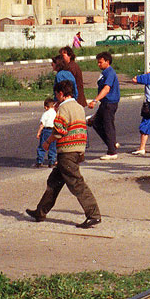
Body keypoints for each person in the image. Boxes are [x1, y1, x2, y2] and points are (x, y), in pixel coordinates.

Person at [26, 80, 101, 228]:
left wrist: (47, 142)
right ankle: (40, 211)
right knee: (54, 181)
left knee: (76, 183)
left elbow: (60, 131)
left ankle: (93, 214)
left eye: (56, 94)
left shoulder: (63, 108)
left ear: (61, 93)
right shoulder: (79, 107)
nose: (56, 98)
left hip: (67, 150)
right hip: (78, 148)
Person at [88, 51, 120, 159]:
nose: (99, 65)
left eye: (100, 62)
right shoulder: (105, 72)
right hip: (105, 103)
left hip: (109, 103)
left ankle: (112, 152)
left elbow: (106, 89)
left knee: (108, 125)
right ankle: (112, 143)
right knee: (95, 122)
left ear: (107, 61)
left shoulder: (110, 72)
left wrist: (95, 100)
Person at [35, 98, 57, 168]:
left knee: (42, 146)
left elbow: (42, 124)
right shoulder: (55, 113)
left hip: (46, 131)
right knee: (52, 147)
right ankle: (51, 161)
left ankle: (39, 161)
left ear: (45, 107)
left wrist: (39, 132)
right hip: (53, 130)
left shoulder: (45, 114)